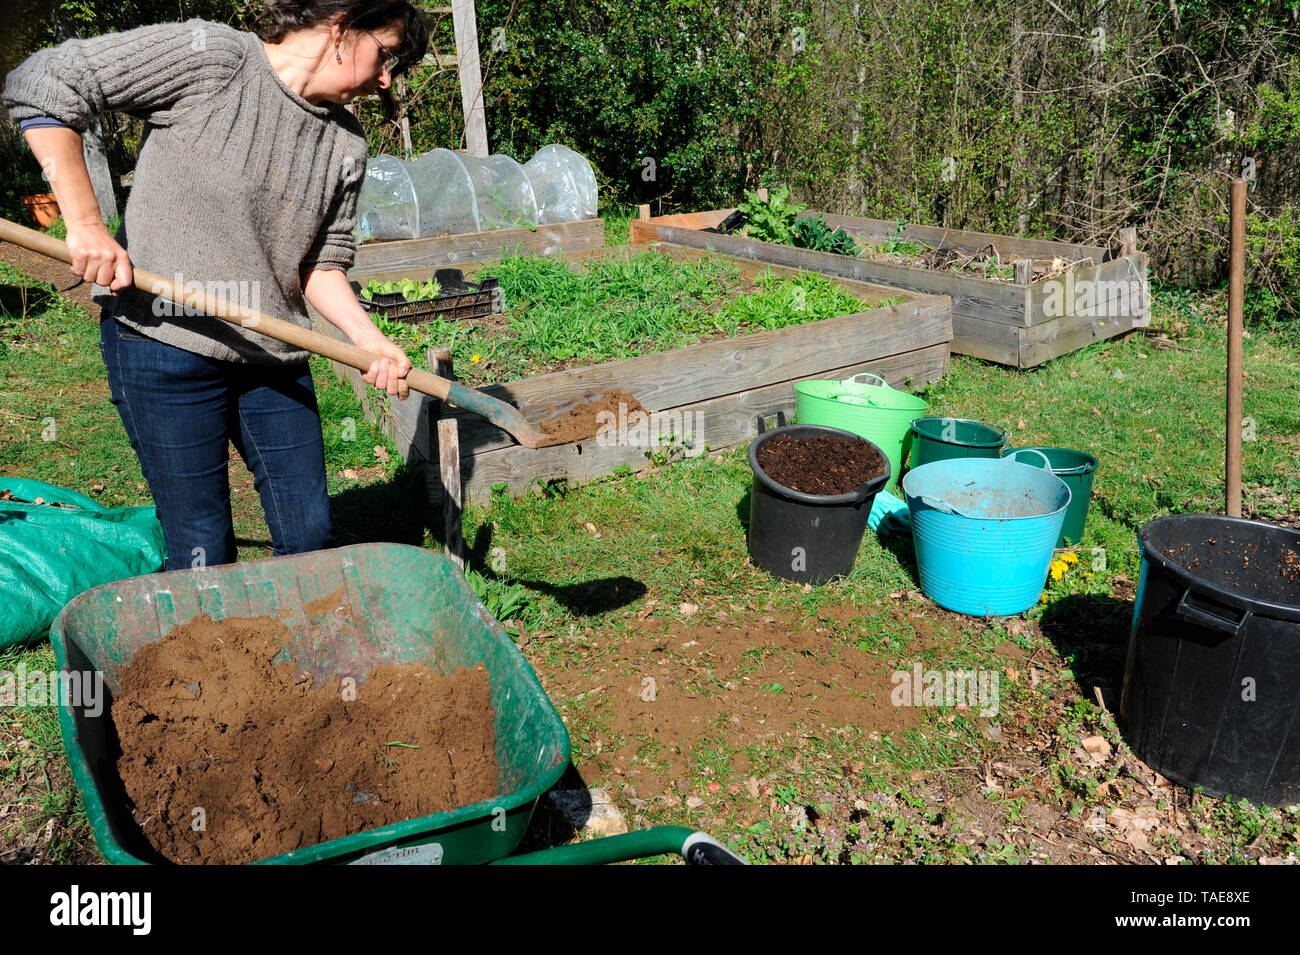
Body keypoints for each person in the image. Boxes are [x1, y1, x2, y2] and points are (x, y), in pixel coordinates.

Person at [2, 1, 427, 571]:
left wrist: (365, 338)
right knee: (202, 541)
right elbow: (46, 80)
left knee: (310, 534)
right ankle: (213, 651)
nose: (384, 80)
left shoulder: (345, 144)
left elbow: (321, 263)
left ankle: (303, 650)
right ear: (341, 25)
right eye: (387, 56)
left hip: (272, 352)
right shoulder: (216, 59)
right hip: (161, 342)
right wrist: (84, 223)